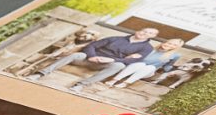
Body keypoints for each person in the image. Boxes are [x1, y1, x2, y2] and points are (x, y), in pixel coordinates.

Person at [29, 28, 159, 85]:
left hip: (106, 64)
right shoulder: (115, 38)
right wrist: (91, 56)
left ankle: (81, 85)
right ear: (138, 31)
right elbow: (92, 45)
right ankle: (40, 74)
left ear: (152, 37)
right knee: (77, 54)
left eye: (149, 33)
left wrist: (112, 59)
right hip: (88, 59)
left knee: (119, 65)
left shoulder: (146, 48)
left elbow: (134, 59)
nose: (145, 33)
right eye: (144, 30)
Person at [93, 38, 187, 89]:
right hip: (133, 67)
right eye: (169, 42)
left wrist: (169, 70)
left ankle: (125, 83)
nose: (169, 45)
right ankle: (113, 80)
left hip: (148, 72)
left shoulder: (175, 55)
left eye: (174, 45)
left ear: (176, 48)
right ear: (165, 41)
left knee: (149, 67)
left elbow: (169, 66)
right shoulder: (149, 48)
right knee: (140, 64)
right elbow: (136, 59)